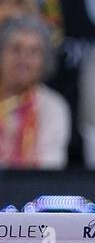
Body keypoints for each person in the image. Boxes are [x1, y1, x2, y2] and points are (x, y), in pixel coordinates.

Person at [0, 13, 67, 169]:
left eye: (33, 52)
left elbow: (50, 170)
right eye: (16, 49)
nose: (23, 59)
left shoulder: (54, 107)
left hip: (32, 190)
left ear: (45, 61)